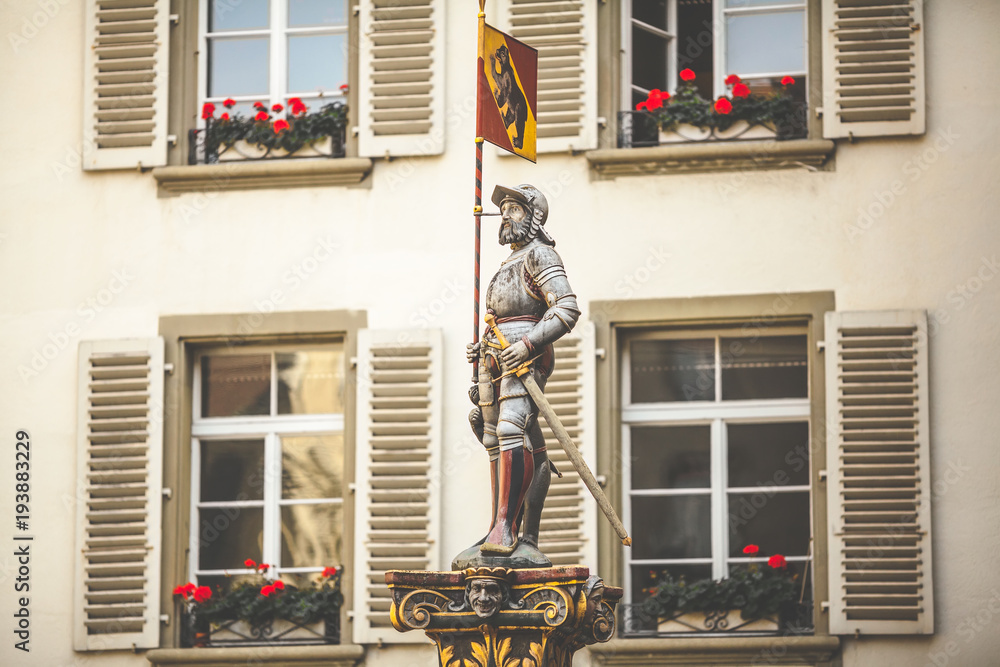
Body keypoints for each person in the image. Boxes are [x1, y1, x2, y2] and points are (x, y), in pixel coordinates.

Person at [464, 183, 581, 557]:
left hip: (525, 356)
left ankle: (506, 528)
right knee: (493, 438)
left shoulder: (541, 255)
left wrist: (528, 344)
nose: (504, 215)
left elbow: (565, 309)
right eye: (504, 208)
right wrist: (480, 347)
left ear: (534, 217)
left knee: (511, 428)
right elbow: (497, 318)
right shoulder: (506, 263)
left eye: (514, 208)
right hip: (494, 357)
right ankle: (505, 526)